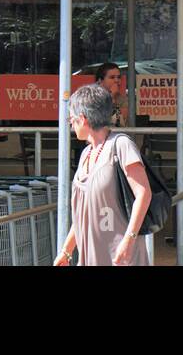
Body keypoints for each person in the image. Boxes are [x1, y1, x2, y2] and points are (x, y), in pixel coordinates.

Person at [54, 83, 152, 266]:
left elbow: (144, 193)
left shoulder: (121, 145)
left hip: (120, 256)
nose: (71, 124)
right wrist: (66, 252)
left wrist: (128, 241)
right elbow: (83, 213)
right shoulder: (86, 153)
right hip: (92, 255)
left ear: (82, 119)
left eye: (71, 119)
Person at [94, 62, 126, 127]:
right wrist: (111, 97)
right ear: (100, 80)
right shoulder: (91, 98)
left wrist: (113, 98)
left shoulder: (122, 100)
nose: (116, 80)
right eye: (112, 77)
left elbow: (120, 124)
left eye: (119, 77)